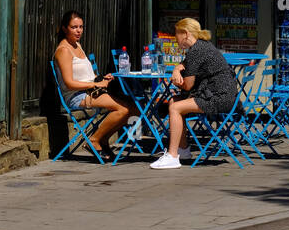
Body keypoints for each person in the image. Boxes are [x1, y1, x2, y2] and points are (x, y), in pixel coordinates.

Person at [150, 18, 238, 170]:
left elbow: (187, 86)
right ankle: (182, 150)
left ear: (185, 33)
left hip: (218, 98)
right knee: (174, 101)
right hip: (222, 95)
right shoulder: (201, 46)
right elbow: (186, 63)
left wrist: (176, 80)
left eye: (176, 34)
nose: (175, 38)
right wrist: (177, 69)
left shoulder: (196, 51)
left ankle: (172, 156)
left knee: (175, 108)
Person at [53, 10, 136, 158]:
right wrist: (95, 85)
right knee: (122, 109)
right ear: (65, 28)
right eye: (74, 27)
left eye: (81, 27)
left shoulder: (77, 45)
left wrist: (102, 78)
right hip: (77, 96)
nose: (78, 31)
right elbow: (69, 83)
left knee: (133, 107)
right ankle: (94, 140)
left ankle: (103, 139)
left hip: (91, 90)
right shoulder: (64, 50)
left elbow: (87, 76)